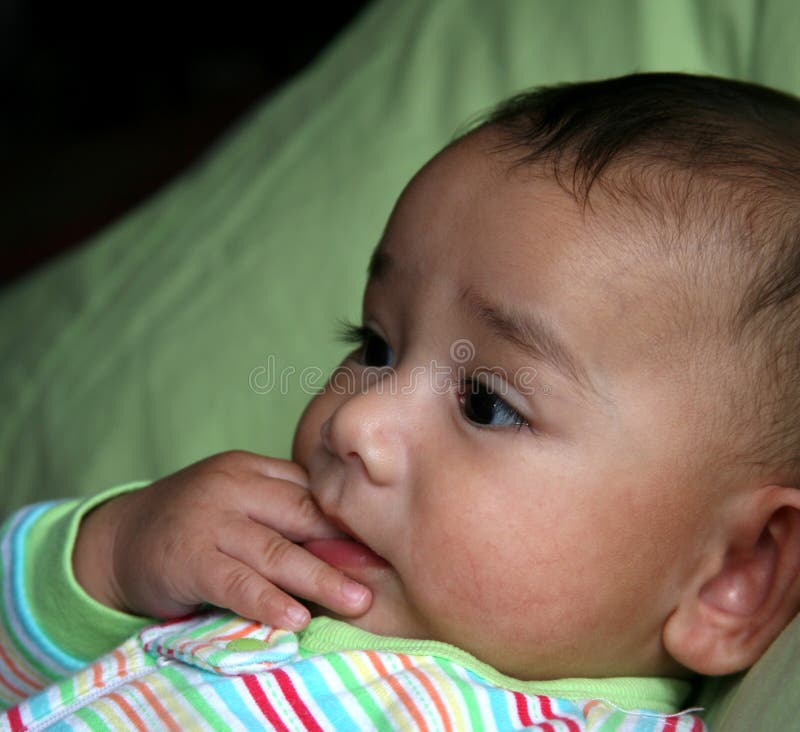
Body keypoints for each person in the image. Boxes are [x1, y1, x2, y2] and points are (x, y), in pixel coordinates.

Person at [2, 71, 799, 730]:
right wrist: (109, 561)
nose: (356, 422)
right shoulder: (242, 569)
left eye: (486, 403)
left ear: (736, 575)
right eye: (376, 345)